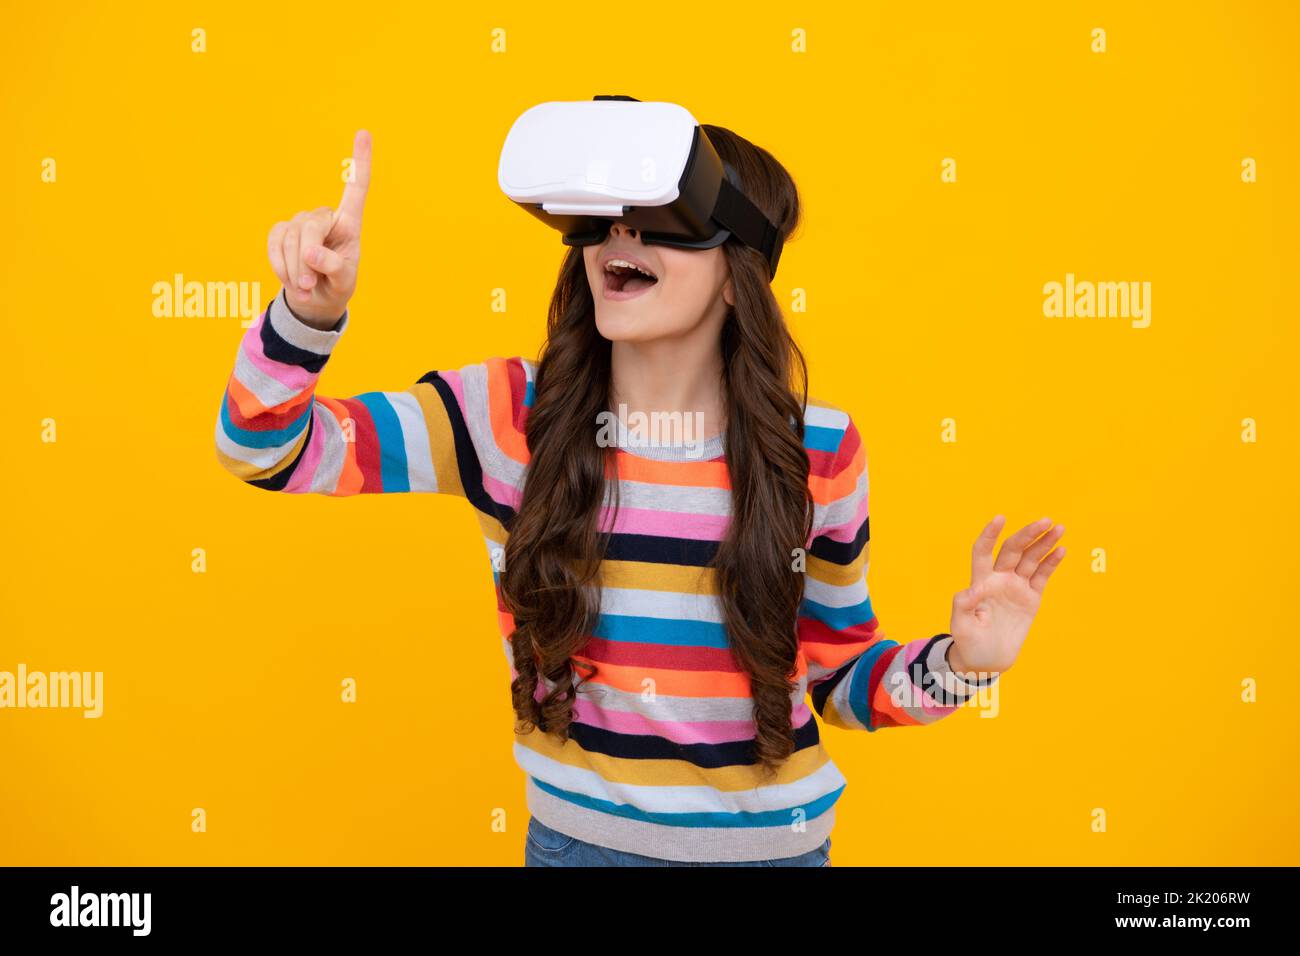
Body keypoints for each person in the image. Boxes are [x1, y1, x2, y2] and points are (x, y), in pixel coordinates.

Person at [214, 128, 1067, 866]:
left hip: (775, 853)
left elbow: (840, 680)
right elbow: (264, 451)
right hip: (574, 847)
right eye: (610, 209)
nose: (621, 229)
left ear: (739, 271)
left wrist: (964, 670)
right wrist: (306, 313)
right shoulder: (508, 417)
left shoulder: (819, 449)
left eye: (665, 214)